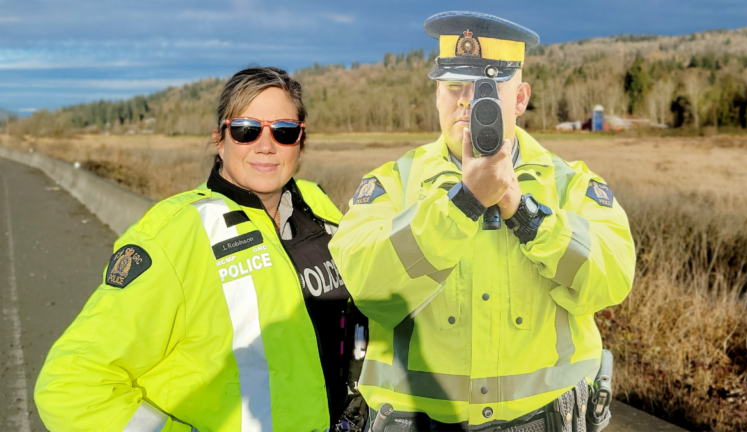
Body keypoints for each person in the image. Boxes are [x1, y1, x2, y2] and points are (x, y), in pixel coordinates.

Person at [328, 11, 636, 432]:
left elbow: (612, 278)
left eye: (486, 88)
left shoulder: (572, 185)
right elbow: (368, 287)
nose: (467, 101)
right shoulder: (392, 184)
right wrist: (463, 204)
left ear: (521, 98)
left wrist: (525, 214)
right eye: (454, 86)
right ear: (437, 95)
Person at [35, 67, 366, 432]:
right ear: (219, 140)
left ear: (301, 142)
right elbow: (70, 385)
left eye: (284, 132)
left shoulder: (319, 209)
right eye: (246, 130)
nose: (266, 145)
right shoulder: (178, 232)